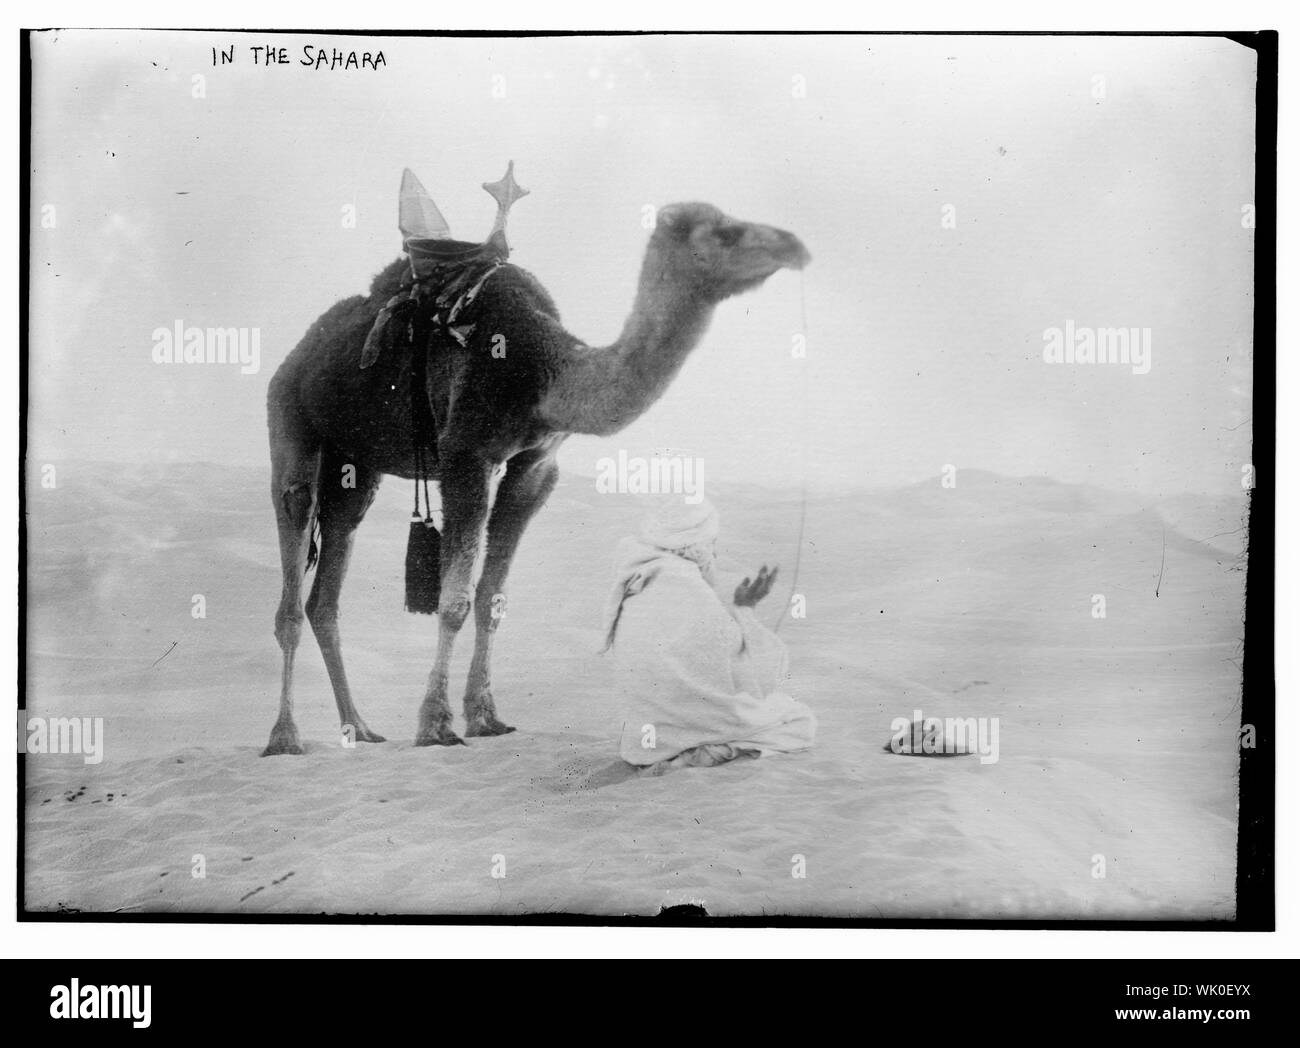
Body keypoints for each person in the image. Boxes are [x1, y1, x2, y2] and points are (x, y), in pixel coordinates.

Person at [601, 497, 817, 772]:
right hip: (685, 730)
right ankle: (699, 754)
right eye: (712, 543)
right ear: (697, 543)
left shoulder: (637, 581)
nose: (713, 554)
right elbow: (755, 680)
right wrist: (746, 610)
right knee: (797, 721)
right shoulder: (690, 589)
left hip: (645, 741)